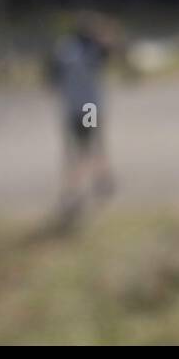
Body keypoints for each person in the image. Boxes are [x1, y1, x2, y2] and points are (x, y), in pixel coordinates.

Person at [47, 12, 119, 221]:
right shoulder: (93, 50)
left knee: (75, 151)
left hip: (72, 108)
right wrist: (110, 33)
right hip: (90, 107)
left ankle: (76, 187)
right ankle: (99, 180)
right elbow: (111, 52)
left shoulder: (63, 50)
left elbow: (52, 77)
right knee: (93, 146)